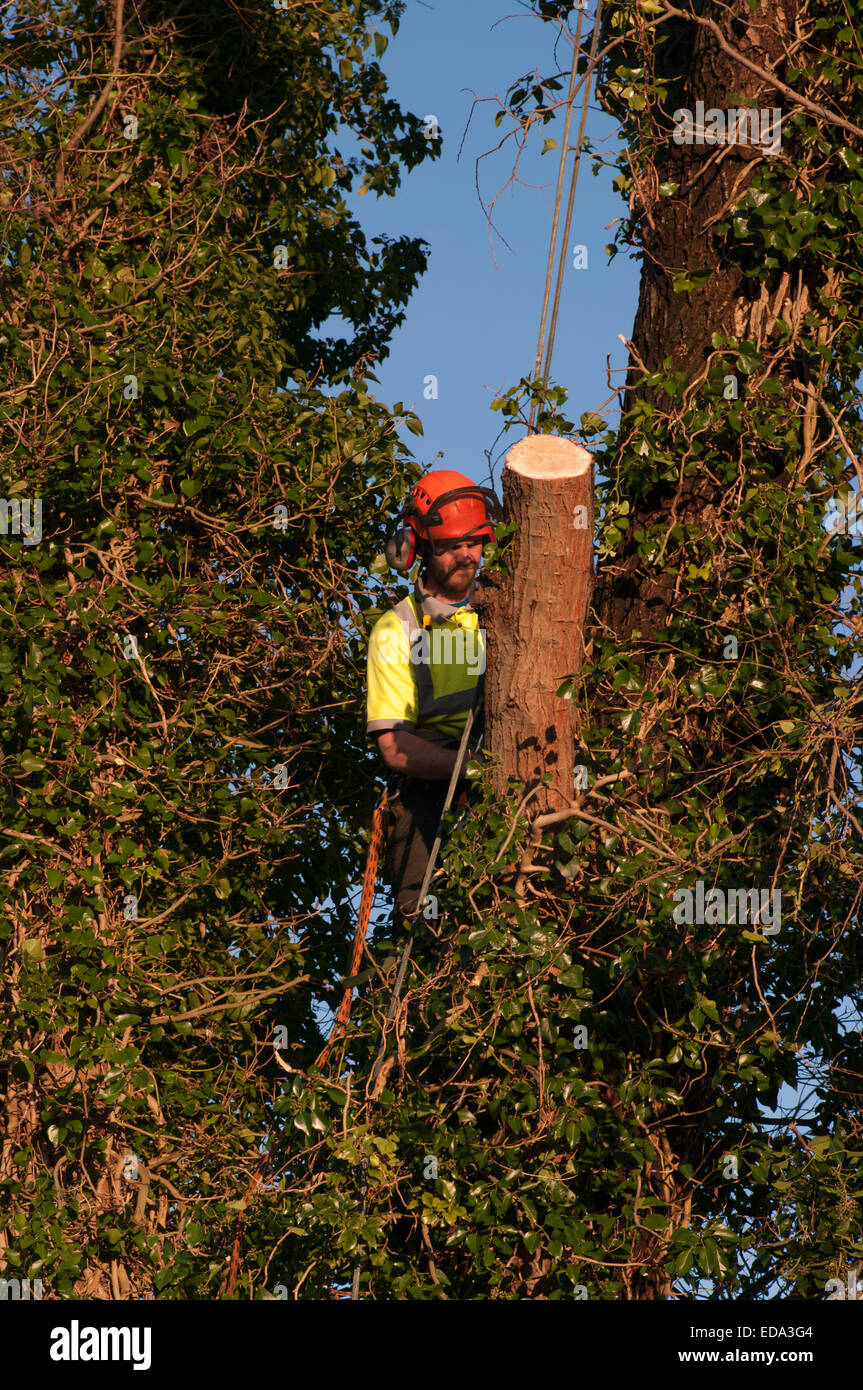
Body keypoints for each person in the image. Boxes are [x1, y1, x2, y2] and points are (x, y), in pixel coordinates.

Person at [366, 470, 501, 930]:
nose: (466, 555)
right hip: (427, 798)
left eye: (474, 541)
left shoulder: (507, 607)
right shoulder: (398, 629)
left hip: (505, 786)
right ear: (419, 548)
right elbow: (392, 746)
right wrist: (470, 766)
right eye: (449, 546)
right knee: (427, 930)